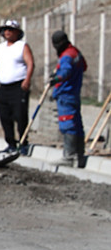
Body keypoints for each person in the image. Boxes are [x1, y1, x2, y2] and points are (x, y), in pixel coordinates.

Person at [0, 19, 35, 157]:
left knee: (20, 115)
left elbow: (30, 63)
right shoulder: (0, 48)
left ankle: (23, 143)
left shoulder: (22, 46)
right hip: (4, 87)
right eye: (5, 30)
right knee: (5, 117)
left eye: (10, 30)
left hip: (18, 86)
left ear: (17, 32)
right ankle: (10, 143)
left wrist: (27, 79)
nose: (7, 32)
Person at [49, 29, 87, 167]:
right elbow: (84, 67)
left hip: (66, 93)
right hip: (74, 93)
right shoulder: (75, 52)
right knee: (77, 124)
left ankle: (69, 156)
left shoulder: (66, 56)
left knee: (67, 124)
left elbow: (66, 71)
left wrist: (56, 79)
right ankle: (79, 155)